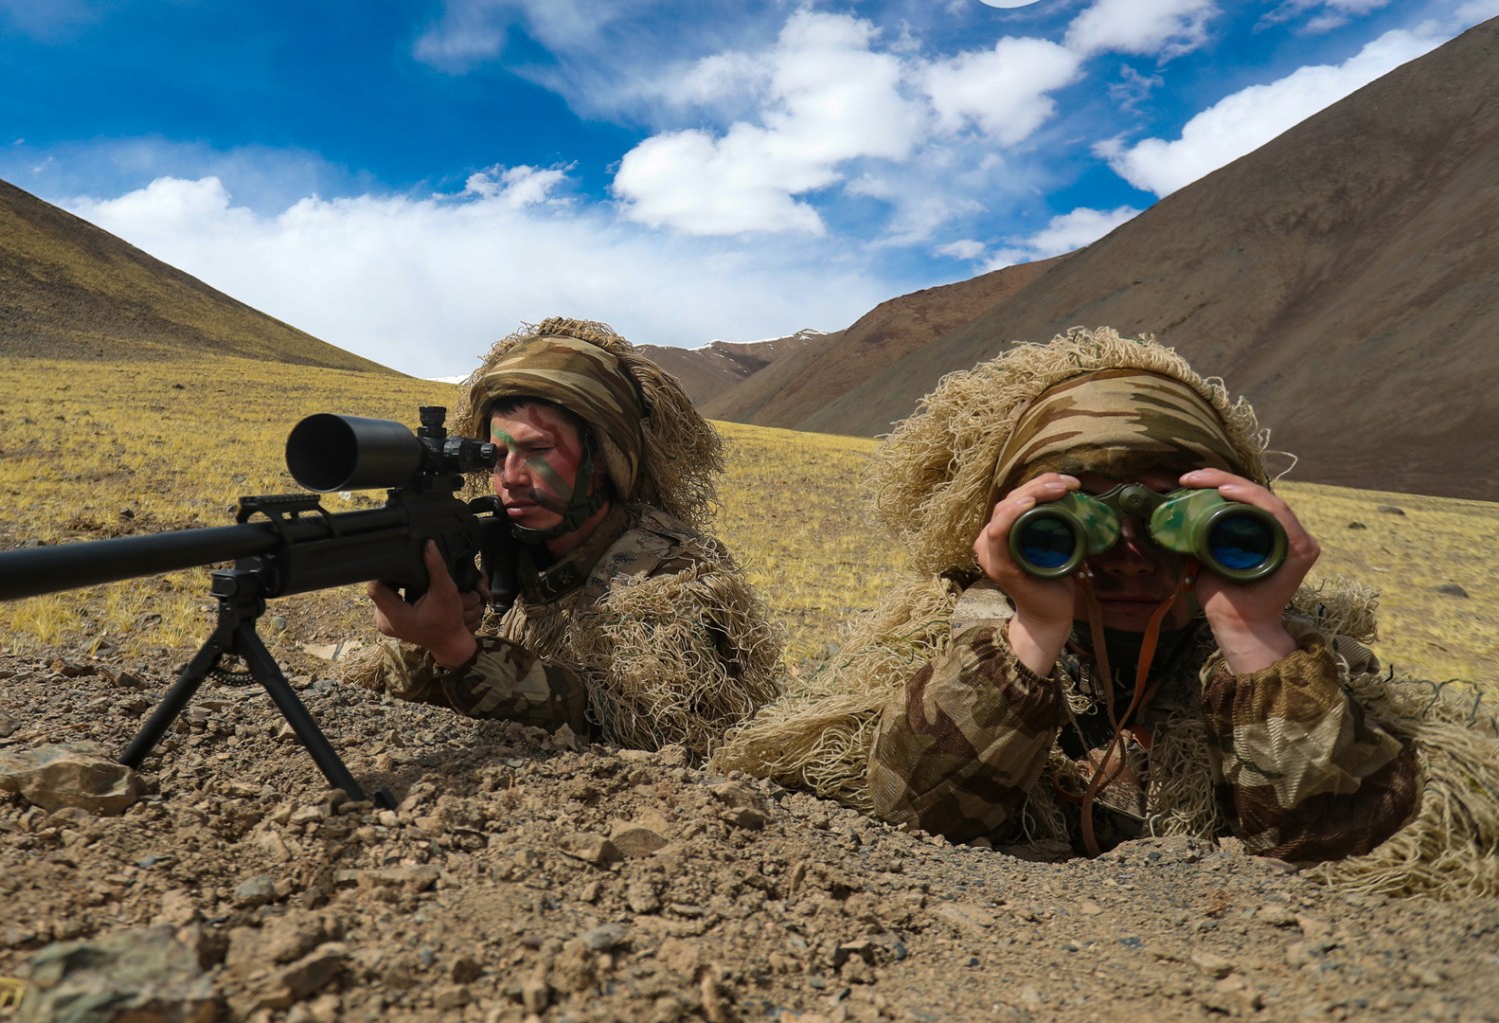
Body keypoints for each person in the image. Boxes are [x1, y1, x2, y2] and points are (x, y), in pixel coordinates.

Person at [715, 326, 1499, 898]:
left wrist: (1252, 633)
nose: (1128, 554)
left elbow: (1344, 841)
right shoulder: (957, 634)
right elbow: (914, 810)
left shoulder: (1294, 652)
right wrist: (1034, 628)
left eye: (1167, 514)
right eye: (1082, 515)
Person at [345, 317, 781, 760]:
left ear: (601, 458)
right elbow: (414, 713)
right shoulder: (504, 551)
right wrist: (418, 636)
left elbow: (645, 733)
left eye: (537, 450)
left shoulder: (672, 575)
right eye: (496, 456)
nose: (510, 477)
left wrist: (456, 648)